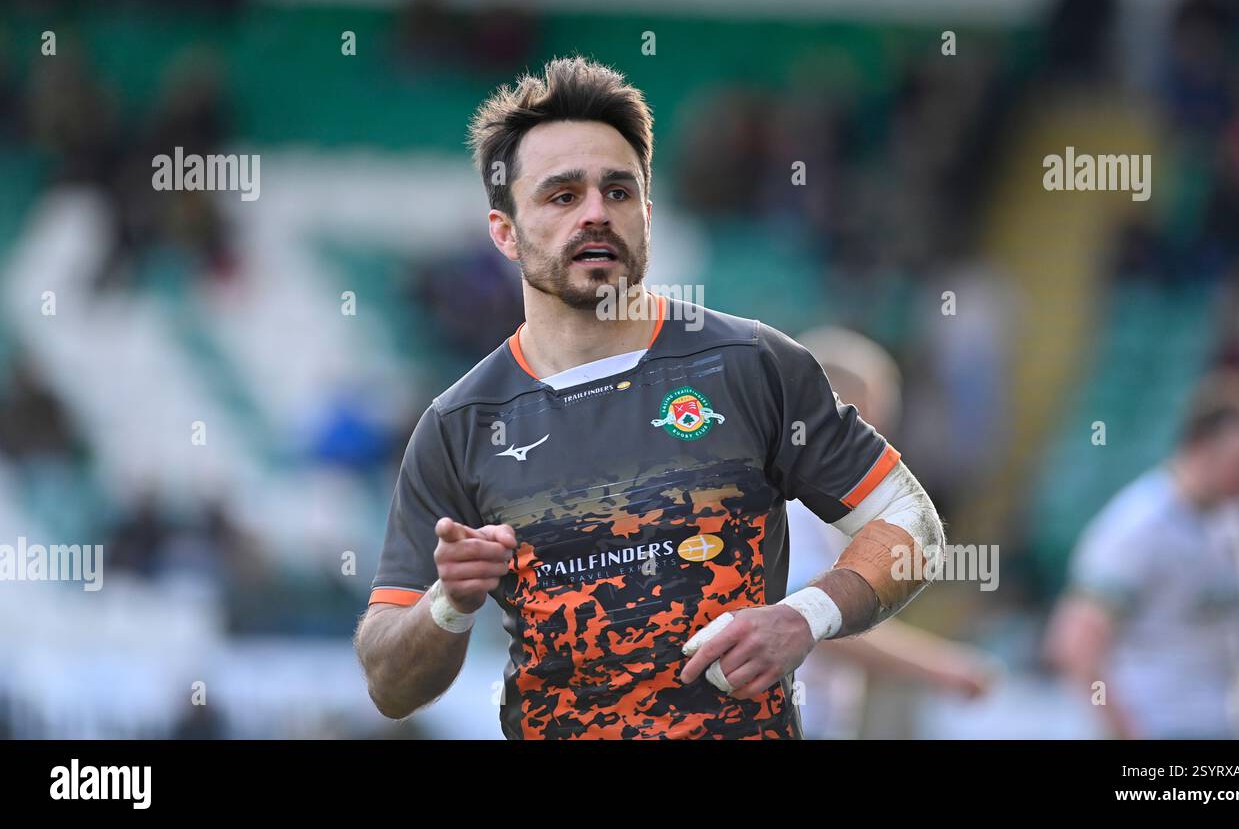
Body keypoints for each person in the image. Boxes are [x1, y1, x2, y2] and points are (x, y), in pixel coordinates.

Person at [354, 56, 945, 739]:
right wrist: (450, 605)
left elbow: (911, 523)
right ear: (505, 232)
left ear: (648, 212)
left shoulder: (751, 367)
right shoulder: (459, 424)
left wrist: (804, 617)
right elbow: (388, 684)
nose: (597, 214)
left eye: (619, 191)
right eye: (562, 195)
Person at [1044, 368, 1239, 739]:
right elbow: (1073, 647)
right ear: (1202, 445)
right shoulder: (1135, 527)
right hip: (1161, 726)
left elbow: (1235, 644)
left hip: (1225, 724)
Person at [786, 327, 999, 739]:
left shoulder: (820, 500)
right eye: (864, 419)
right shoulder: (796, 503)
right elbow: (811, 621)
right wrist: (944, 669)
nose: (875, 440)